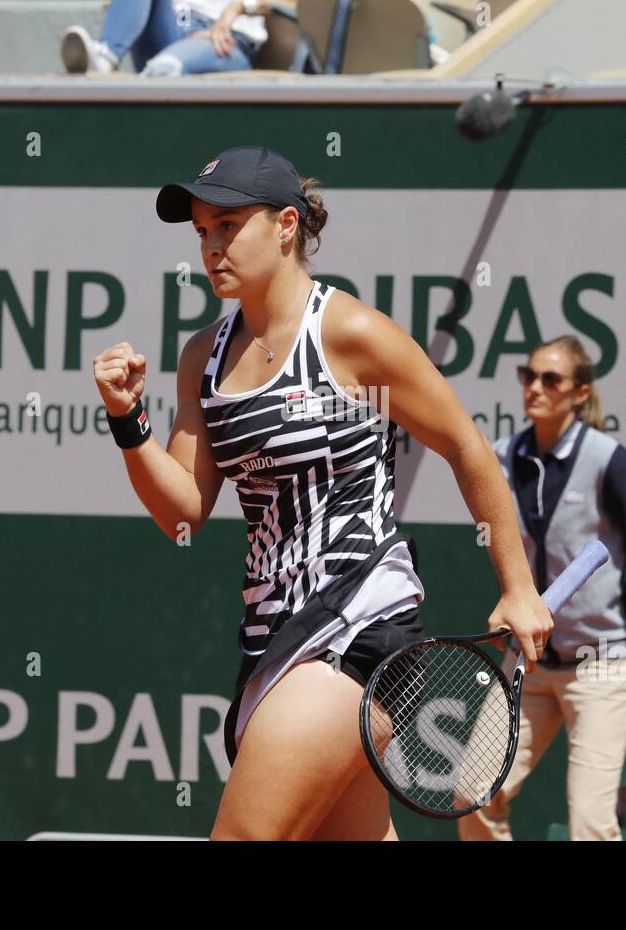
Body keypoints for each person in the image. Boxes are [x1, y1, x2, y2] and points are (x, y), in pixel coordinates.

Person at [92, 145, 553, 840]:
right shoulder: (202, 358)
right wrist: (128, 420)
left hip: (360, 624)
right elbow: (182, 511)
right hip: (271, 634)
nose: (211, 247)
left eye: (227, 226)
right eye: (202, 232)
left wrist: (518, 587)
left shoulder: (350, 333)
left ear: (284, 226)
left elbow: (466, 444)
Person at [457, 336, 626, 842]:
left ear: (580, 393)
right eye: (528, 375)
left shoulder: (608, 460)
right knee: (472, 794)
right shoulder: (504, 456)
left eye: (550, 379)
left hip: (603, 668)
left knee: (590, 827)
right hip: (528, 664)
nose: (534, 387)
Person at [61, 0, 315, 77]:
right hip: (171, 27)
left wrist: (239, 7)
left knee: (165, 68)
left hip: (226, 37)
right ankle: (106, 57)